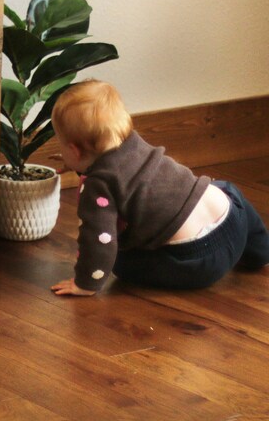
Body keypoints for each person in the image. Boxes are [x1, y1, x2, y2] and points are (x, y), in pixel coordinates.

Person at [49, 80, 269, 296]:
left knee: (119, 263)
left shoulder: (98, 185)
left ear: (75, 150)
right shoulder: (132, 142)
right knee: (223, 188)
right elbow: (109, 163)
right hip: (234, 219)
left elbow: (99, 240)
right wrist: (79, 164)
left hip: (201, 262)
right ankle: (262, 251)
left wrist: (86, 283)